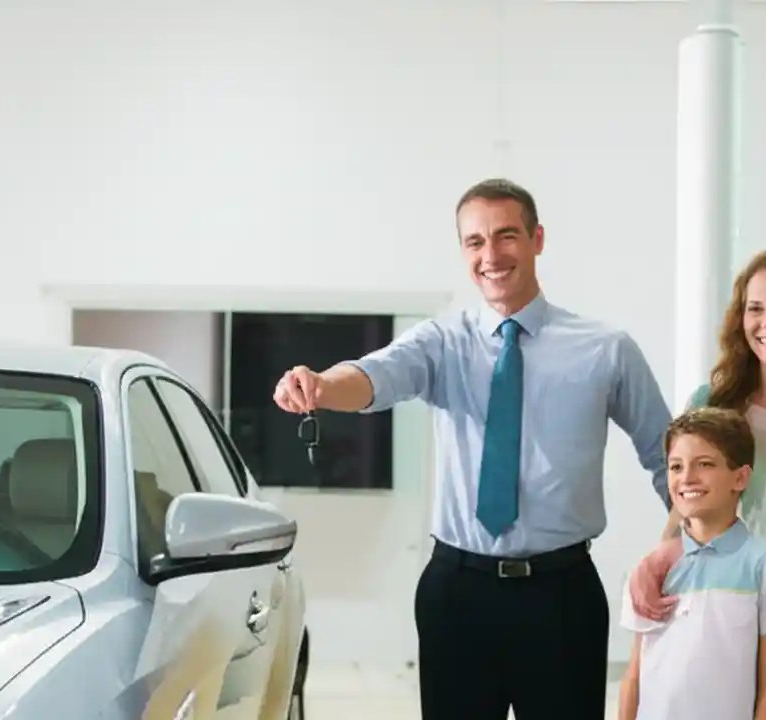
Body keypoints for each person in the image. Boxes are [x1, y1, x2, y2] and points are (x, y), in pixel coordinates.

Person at [271, 178, 673, 719]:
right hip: (458, 594)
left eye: (506, 236)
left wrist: (687, 549)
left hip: (562, 595)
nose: (491, 255)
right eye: (474, 242)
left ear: (537, 239)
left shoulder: (605, 350)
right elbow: (374, 376)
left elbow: (666, 454)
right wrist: (320, 385)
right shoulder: (441, 342)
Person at [629, 245, 766, 621]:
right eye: (756, 308)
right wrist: (655, 563)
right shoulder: (712, 402)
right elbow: (685, 504)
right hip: (722, 599)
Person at [618, 407, 766, 720]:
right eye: (675, 467)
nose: (686, 478)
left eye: (705, 465)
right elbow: (633, 677)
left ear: (740, 477)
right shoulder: (651, 572)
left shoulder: (764, 562)